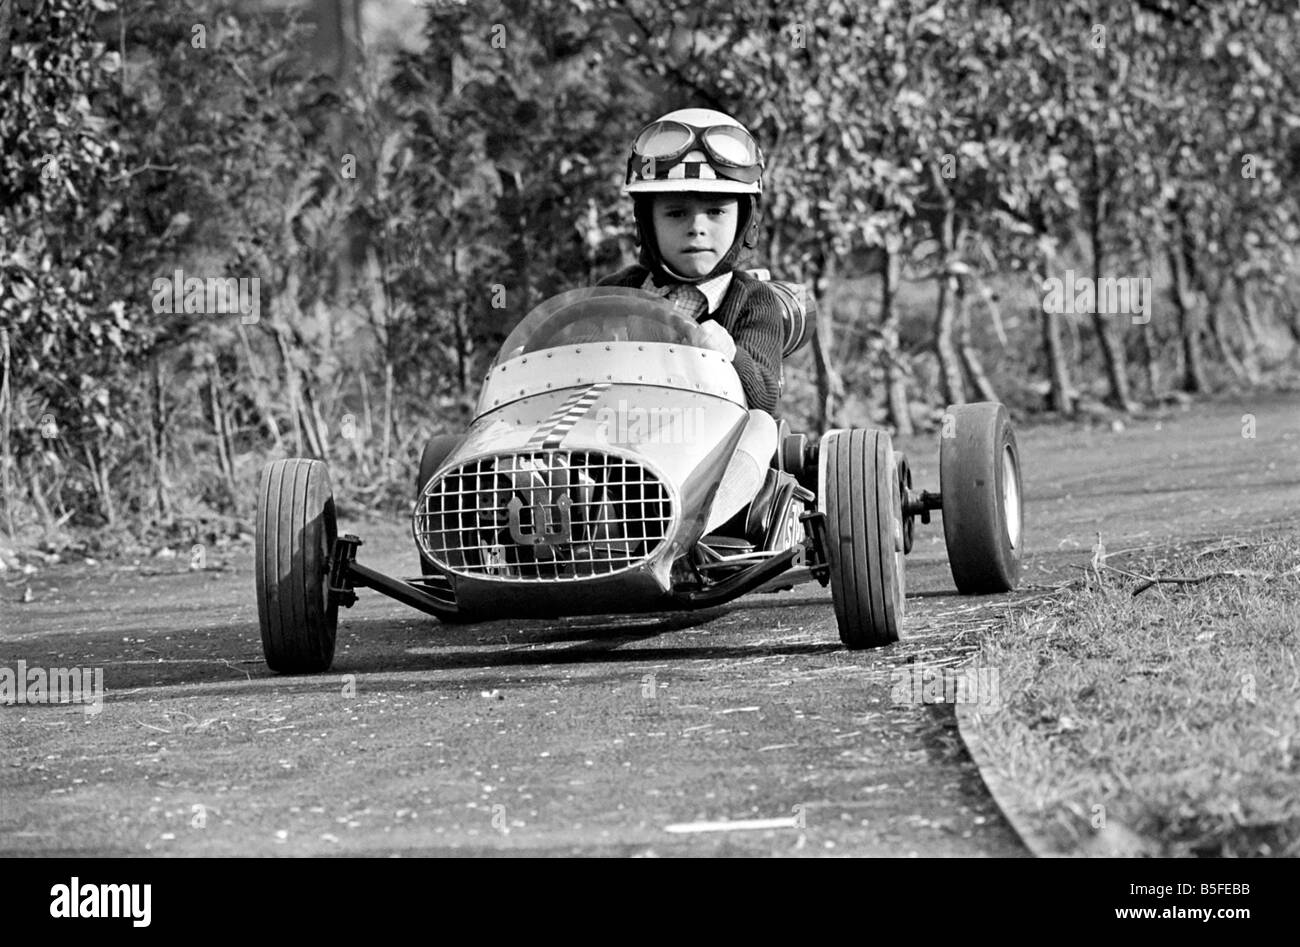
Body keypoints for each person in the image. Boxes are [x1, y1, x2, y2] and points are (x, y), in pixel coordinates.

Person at [599, 107, 784, 535]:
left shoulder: (753, 301)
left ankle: (690, 535)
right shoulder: (619, 291)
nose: (696, 228)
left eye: (716, 212)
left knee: (761, 427)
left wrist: (729, 353)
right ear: (646, 221)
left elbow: (766, 397)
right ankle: (559, 522)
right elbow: (574, 360)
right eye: (676, 213)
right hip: (623, 444)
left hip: (714, 458)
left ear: (744, 221)